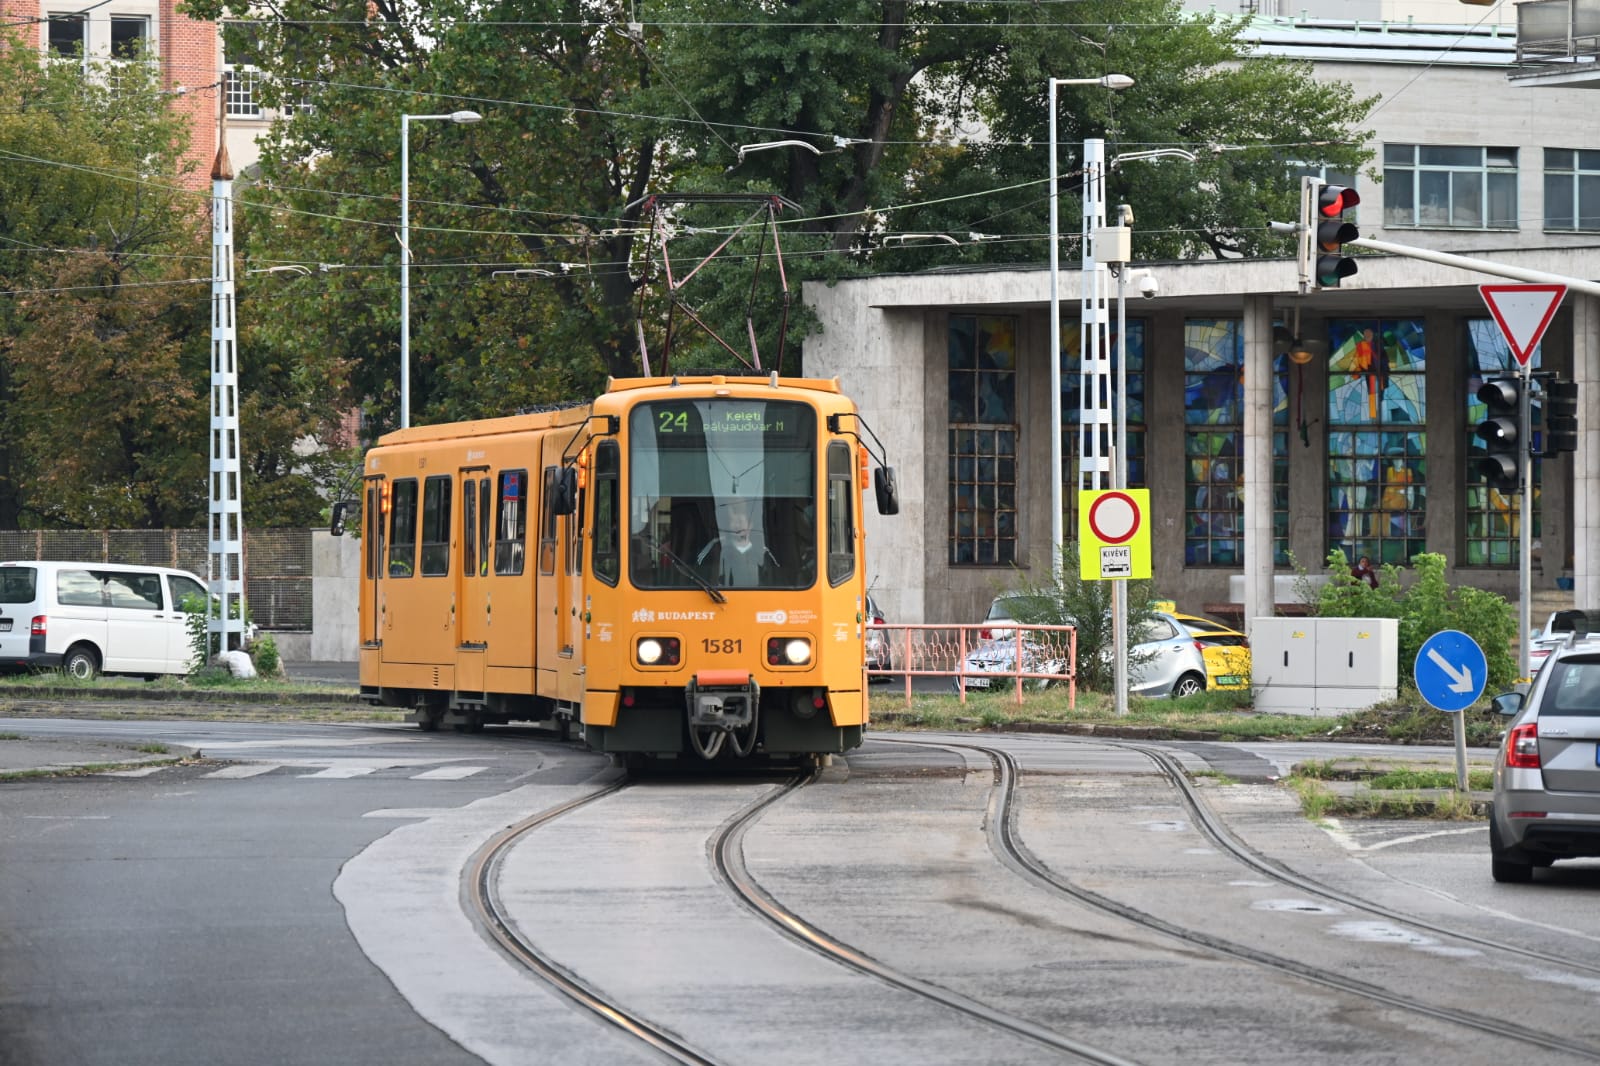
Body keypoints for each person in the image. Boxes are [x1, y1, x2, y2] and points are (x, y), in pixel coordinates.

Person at [697, 496, 771, 587]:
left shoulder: (763, 551)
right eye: (733, 521)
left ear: (750, 525)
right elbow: (699, 572)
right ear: (727, 525)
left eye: (741, 521)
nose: (737, 526)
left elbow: (774, 578)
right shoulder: (714, 547)